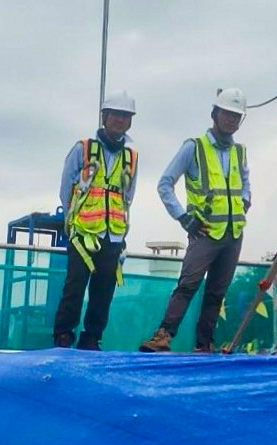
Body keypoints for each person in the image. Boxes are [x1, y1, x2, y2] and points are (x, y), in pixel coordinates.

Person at [141, 87, 251, 353]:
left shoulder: (239, 152)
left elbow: (245, 183)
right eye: (227, 114)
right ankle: (163, 335)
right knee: (188, 285)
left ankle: (204, 344)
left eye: (237, 116)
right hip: (204, 231)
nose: (231, 120)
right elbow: (165, 183)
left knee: (217, 293)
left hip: (233, 232)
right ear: (214, 113)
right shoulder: (194, 147)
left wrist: (245, 202)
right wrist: (183, 217)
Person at [54, 90, 139, 350]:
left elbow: (128, 195)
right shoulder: (83, 148)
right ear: (104, 116)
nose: (120, 120)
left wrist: (121, 229)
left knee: (104, 289)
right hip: (83, 232)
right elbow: (66, 187)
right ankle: (63, 334)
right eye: (115, 115)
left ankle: (92, 337)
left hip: (113, 234)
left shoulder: (131, 156)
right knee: (75, 285)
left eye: (125, 116)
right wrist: (73, 221)